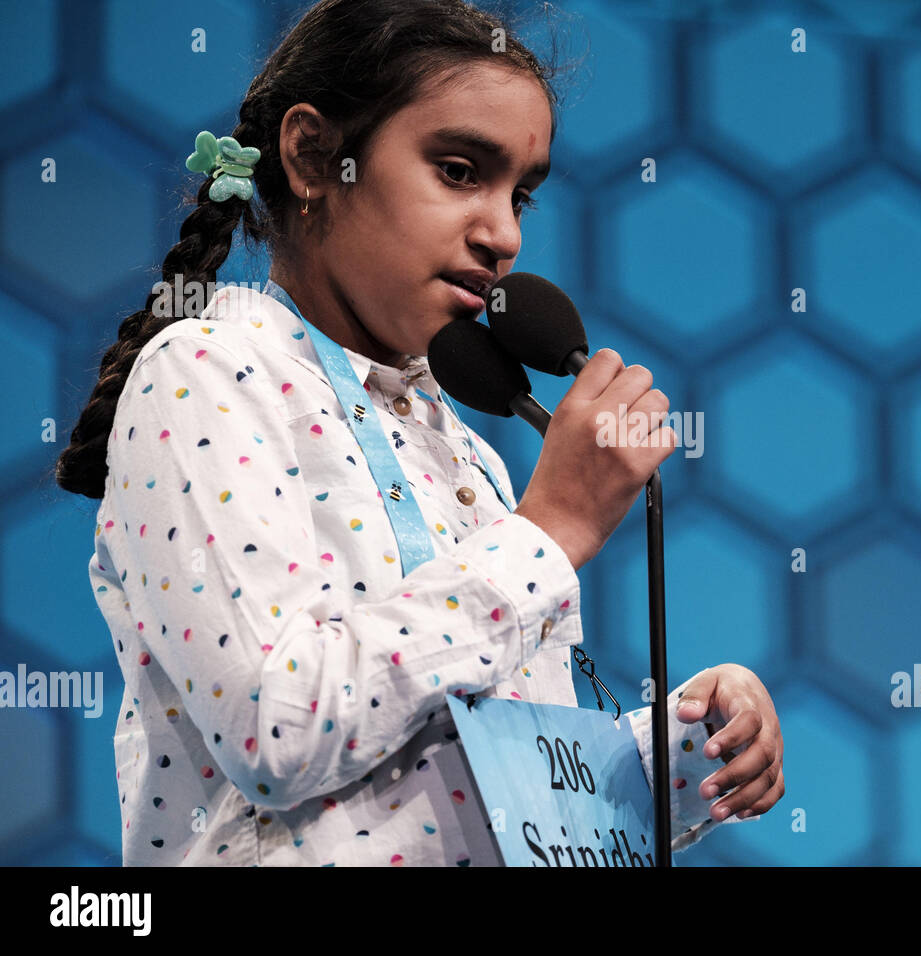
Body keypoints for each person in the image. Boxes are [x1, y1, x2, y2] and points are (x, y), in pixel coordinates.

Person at [54, 0, 784, 866]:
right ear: (314, 157)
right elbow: (276, 729)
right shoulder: (207, 370)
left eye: (521, 194)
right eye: (459, 169)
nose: (503, 234)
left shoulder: (466, 450)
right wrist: (552, 532)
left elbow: (490, 780)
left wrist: (688, 747)